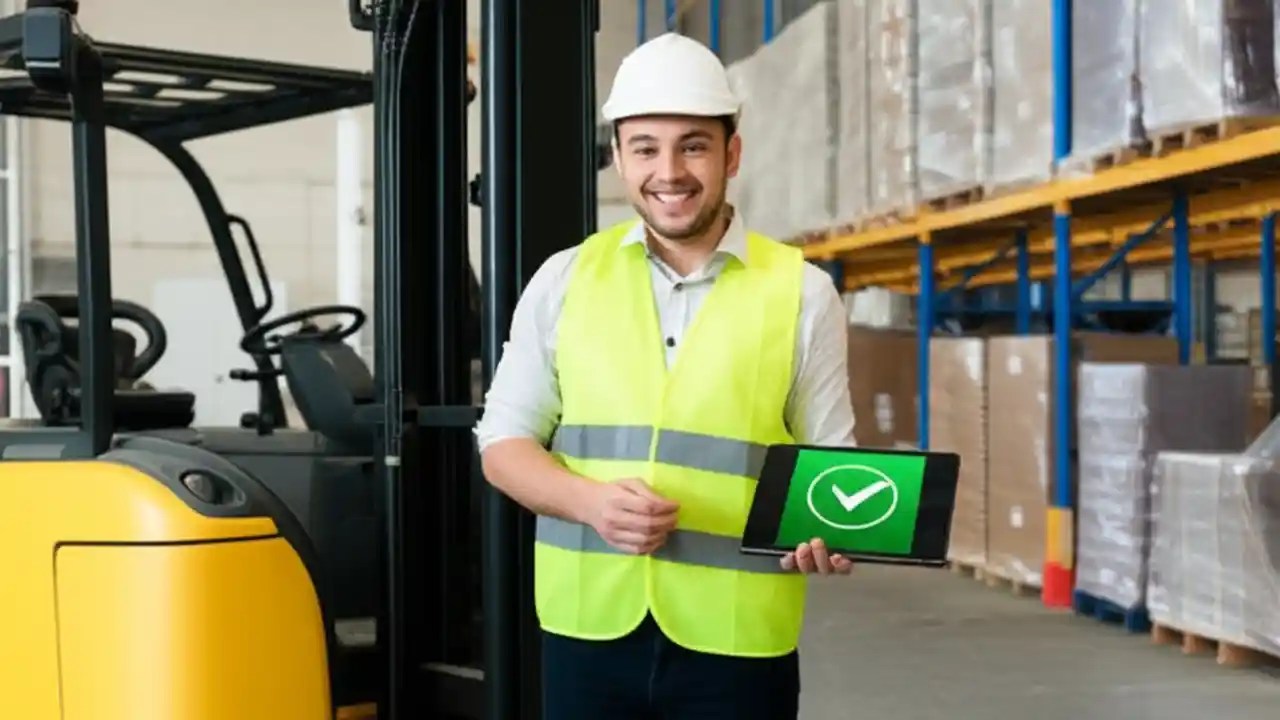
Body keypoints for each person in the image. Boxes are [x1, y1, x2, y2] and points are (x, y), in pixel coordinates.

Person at [474, 31, 856, 720]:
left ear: (731, 154)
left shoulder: (802, 293)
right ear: (618, 157)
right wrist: (588, 503)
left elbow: (831, 461)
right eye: (645, 147)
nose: (669, 171)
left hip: (739, 641)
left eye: (694, 145)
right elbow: (503, 444)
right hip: (589, 632)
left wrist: (830, 531)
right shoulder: (565, 280)